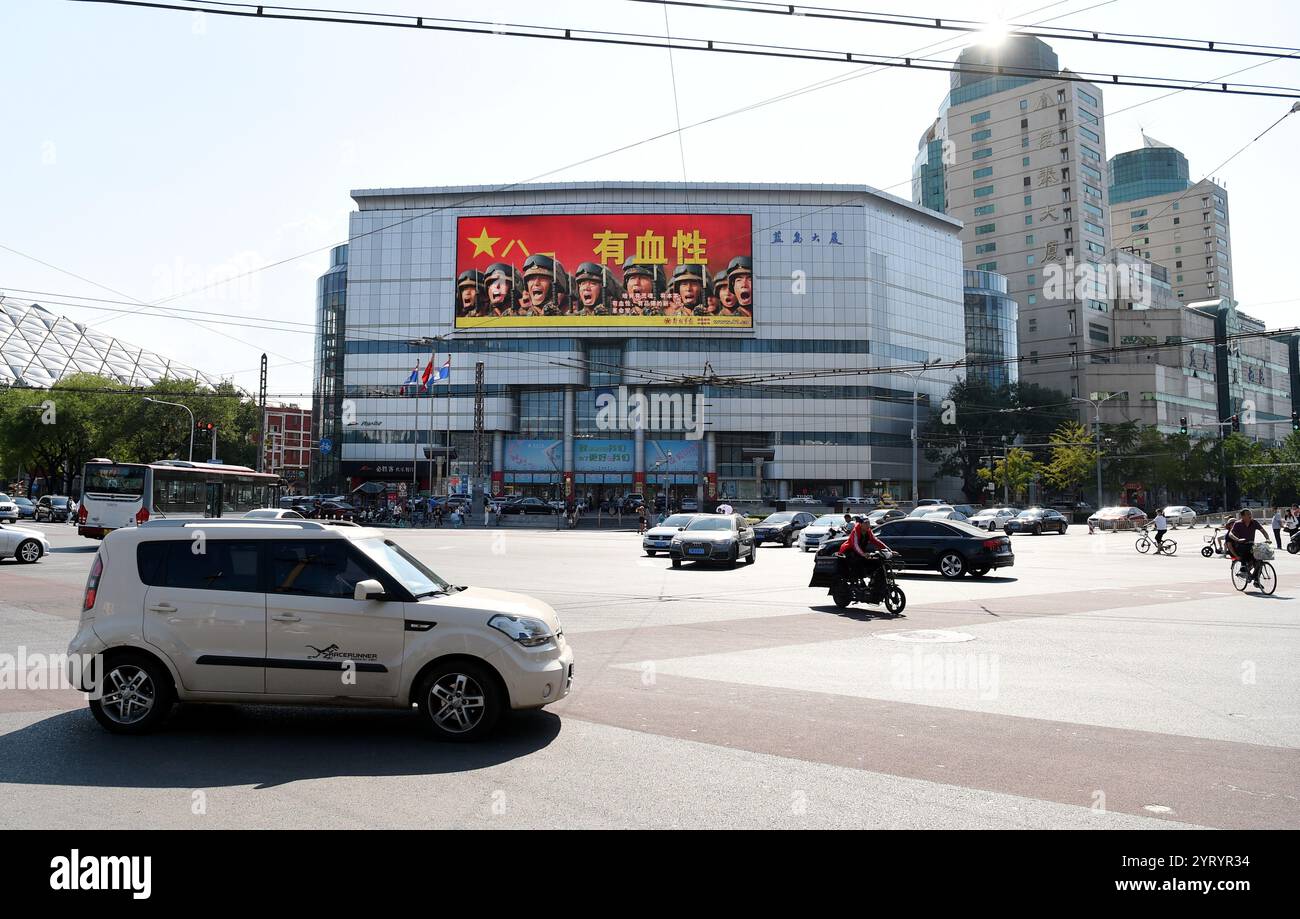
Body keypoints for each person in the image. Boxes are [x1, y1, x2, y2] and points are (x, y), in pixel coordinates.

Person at [835, 514, 894, 599]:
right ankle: (858, 584)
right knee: (857, 562)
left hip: (860, 552)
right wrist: (863, 554)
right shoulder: (855, 531)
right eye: (866, 523)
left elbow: (876, 541)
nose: (868, 525)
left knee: (876, 562)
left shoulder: (868, 531)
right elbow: (855, 546)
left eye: (868, 523)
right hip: (849, 552)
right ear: (860, 524)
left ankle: (873, 584)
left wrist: (890, 550)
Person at [1225, 509, 1269, 588]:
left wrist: (1267, 538)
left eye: (1250, 514)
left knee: (1259, 560)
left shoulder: (1254, 522)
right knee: (1245, 550)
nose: (1250, 515)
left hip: (1251, 545)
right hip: (1241, 545)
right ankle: (1243, 567)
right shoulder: (1237, 524)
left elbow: (1263, 531)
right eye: (1248, 514)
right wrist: (1238, 539)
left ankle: (1256, 580)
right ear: (1242, 516)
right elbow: (1231, 534)